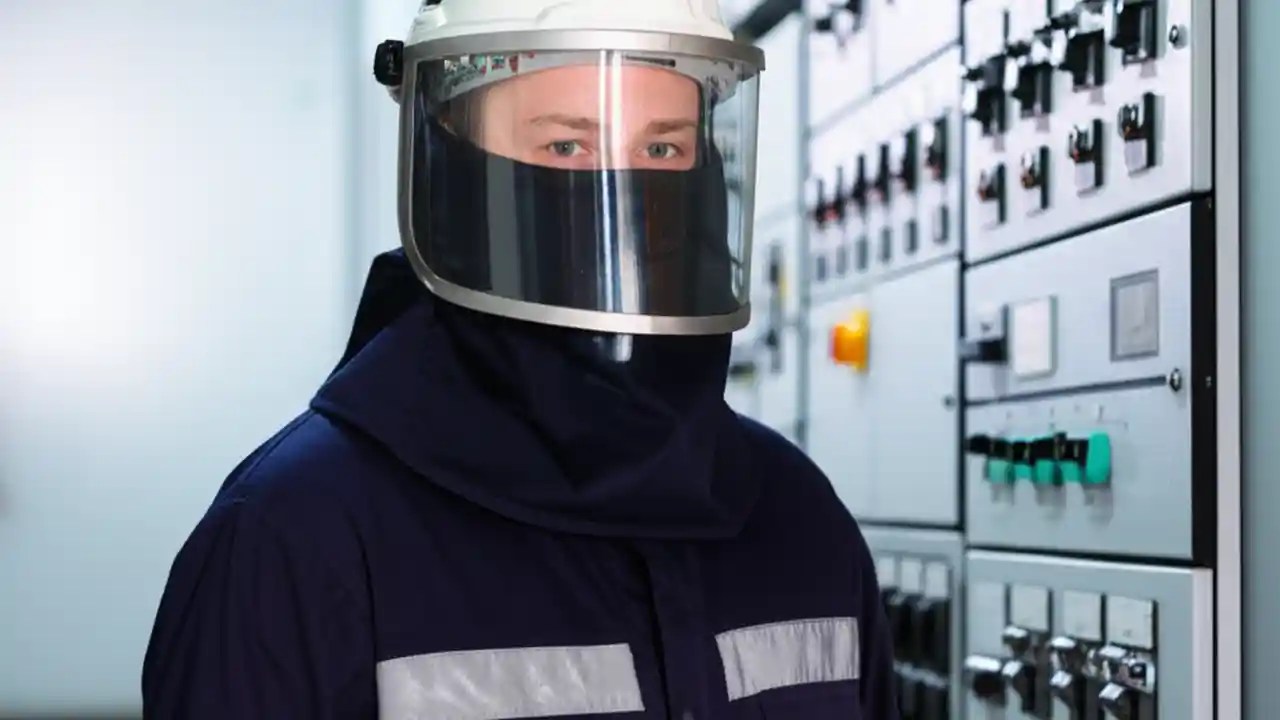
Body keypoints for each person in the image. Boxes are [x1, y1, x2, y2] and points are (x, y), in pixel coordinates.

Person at [141, 0, 900, 717]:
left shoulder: (799, 516)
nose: (624, 193)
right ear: (450, 165)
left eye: (663, 147)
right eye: (565, 145)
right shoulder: (298, 538)